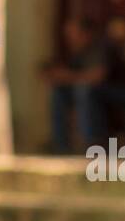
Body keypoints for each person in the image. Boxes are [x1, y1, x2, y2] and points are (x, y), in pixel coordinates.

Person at [45, 19, 109, 153]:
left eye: (74, 35)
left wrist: (67, 77)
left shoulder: (100, 47)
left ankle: (91, 145)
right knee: (59, 93)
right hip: (90, 91)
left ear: (86, 33)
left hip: (113, 90)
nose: (70, 39)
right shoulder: (78, 51)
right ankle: (61, 146)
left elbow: (97, 77)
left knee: (83, 90)